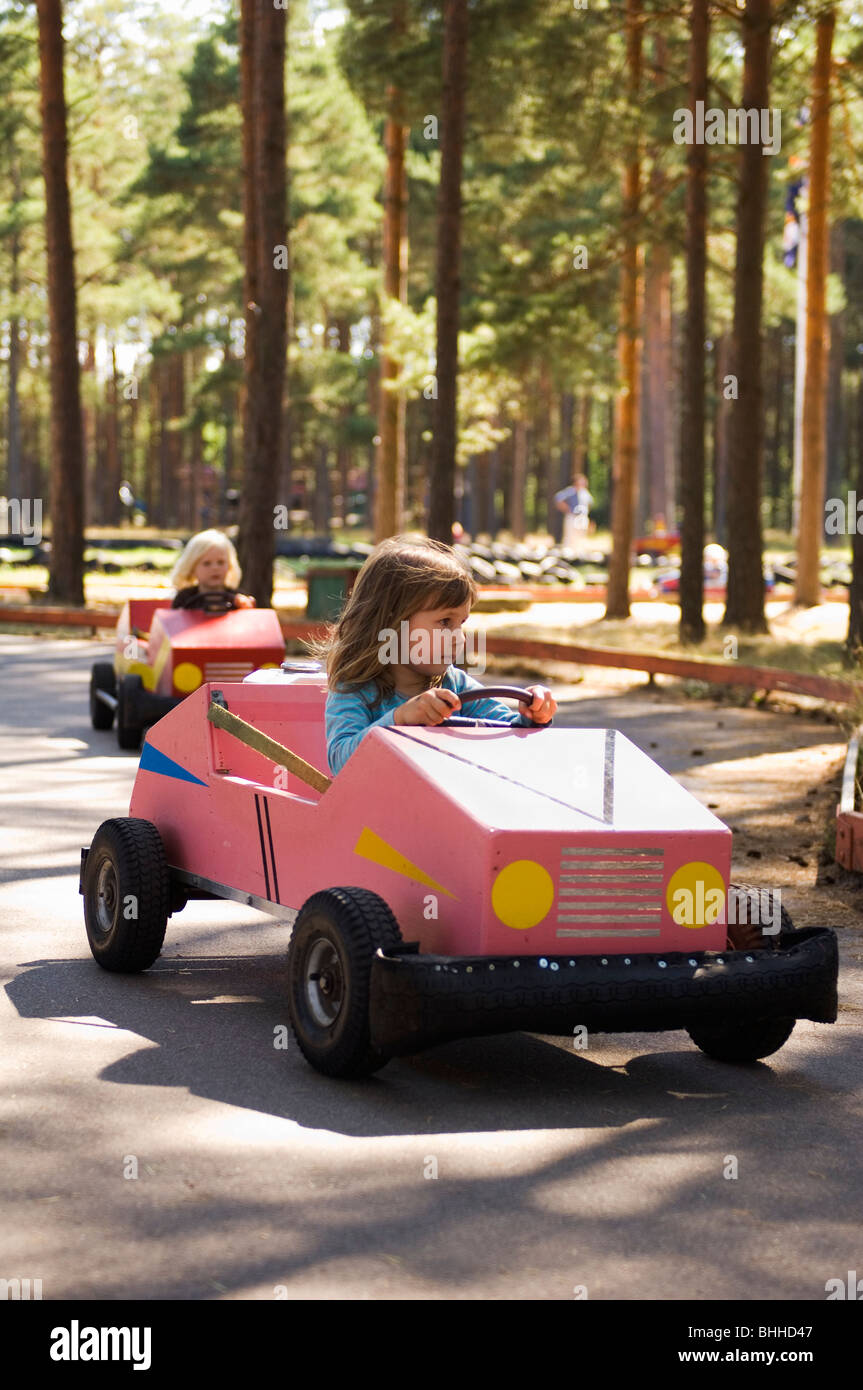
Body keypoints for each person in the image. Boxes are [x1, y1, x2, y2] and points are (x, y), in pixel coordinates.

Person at [321, 536, 556, 775]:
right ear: (392, 621)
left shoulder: (455, 684)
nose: (459, 638)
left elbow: (504, 729)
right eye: (445, 622)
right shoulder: (354, 688)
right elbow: (341, 762)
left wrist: (532, 715)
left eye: (461, 623)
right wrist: (399, 719)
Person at [169, 529, 256, 612]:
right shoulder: (184, 599)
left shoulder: (237, 599)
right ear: (192, 568)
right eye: (207, 563)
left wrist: (246, 607)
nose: (215, 568)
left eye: (220, 562)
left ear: (229, 565)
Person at [554, 473, 593, 553]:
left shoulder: (585, 493)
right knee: (570, 536)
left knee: (581, 536)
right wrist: (567, 509)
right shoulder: (570, 491)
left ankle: (579, 553)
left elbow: (589, 504)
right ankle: (568, 553)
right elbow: (558, 499)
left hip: (582, 517)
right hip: (572, 516)